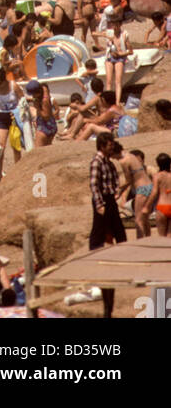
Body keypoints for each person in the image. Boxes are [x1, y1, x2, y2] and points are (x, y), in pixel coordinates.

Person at [89, 133, 127, 316]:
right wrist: (99, 204)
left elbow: (114, 181)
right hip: (102, 200)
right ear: (102, 145)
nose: (112, 147)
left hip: (110, 199)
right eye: (110, 145)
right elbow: (94, 185)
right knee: (99, 232)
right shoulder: (97, 162)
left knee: (119, 232)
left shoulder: (108, 162)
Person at [145, 152, 171, 238]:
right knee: (169, 235)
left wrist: (147, 206)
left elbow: (154, 192)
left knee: (162, 237)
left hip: (162, 206)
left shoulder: (157, 176)